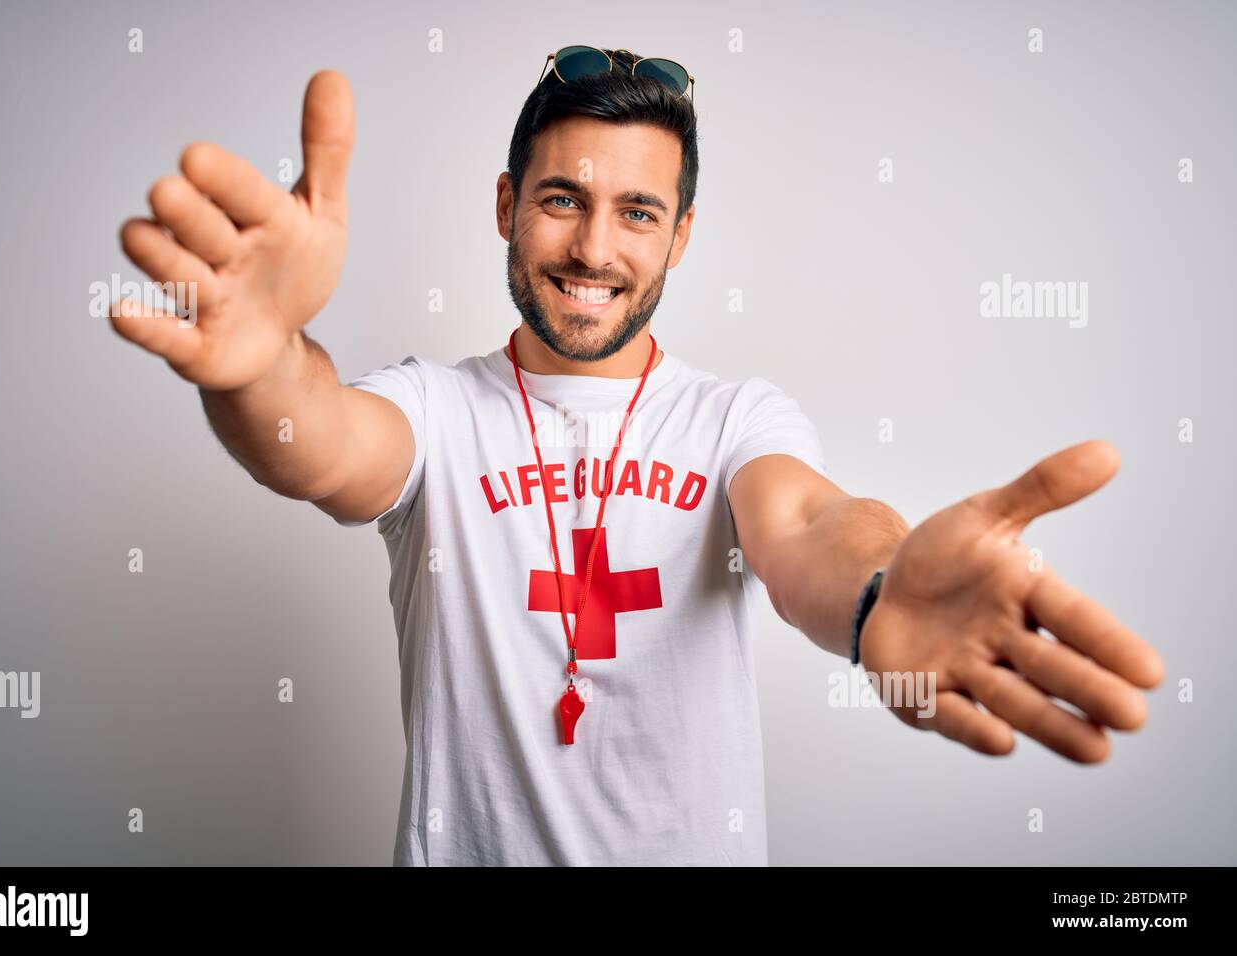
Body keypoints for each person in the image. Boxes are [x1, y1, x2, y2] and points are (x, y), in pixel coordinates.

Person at [109, 51, 1165, 866]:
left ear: (681, 236)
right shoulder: (434, 405)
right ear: (505, 205)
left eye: (638, 213)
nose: (594, 250)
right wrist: (257, 369)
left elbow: (805, 525)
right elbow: (320, 447)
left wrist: (880, 590)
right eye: (562, 198)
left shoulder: (731, 416)